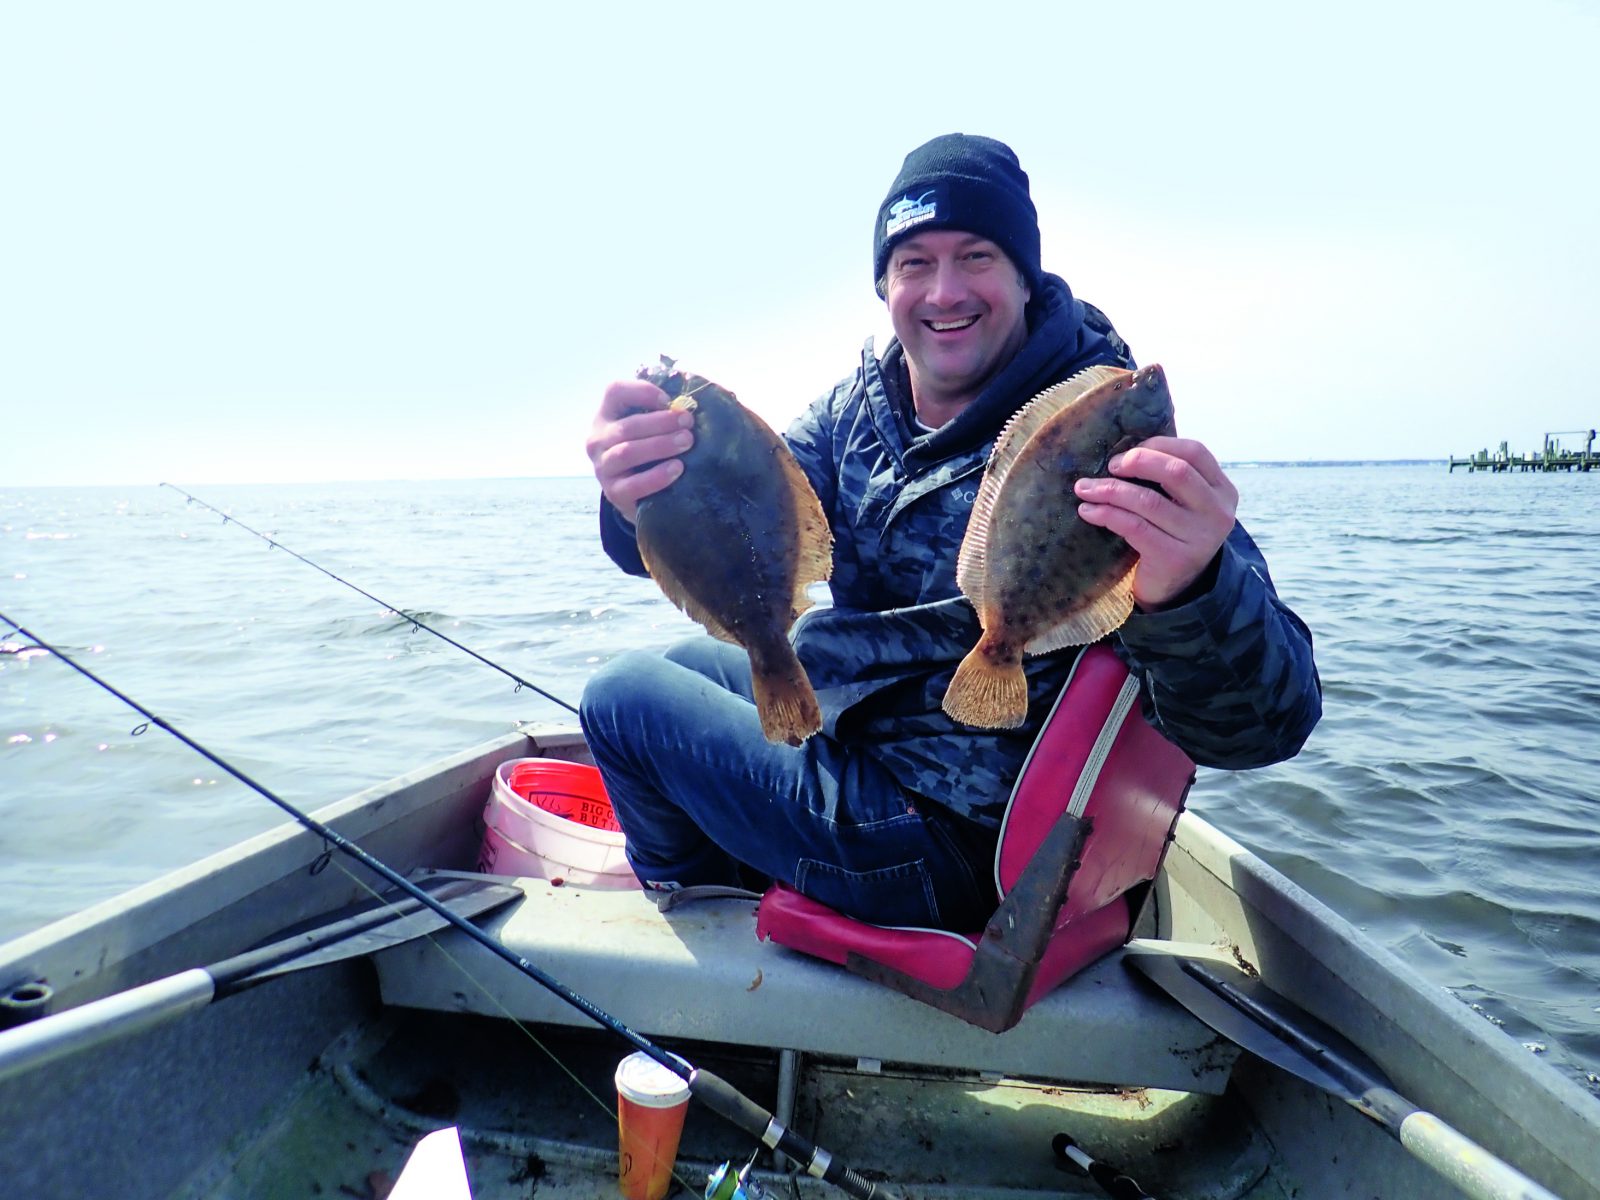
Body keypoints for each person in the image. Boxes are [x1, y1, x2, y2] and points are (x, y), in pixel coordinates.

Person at [582, 133, 1320, 932]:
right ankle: (744, 865)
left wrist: (1191, 590)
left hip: (945, 838)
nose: (944, 291)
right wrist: (642, 496)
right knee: (685, 663)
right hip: (862, 736)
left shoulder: (1105, 435)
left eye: (976, 256)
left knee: (621, 697)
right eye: (914, 263)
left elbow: (1269, 726)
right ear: (884, 285)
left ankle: (700, 919)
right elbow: (744, 530)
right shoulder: (855, 414)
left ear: (1023, 276)